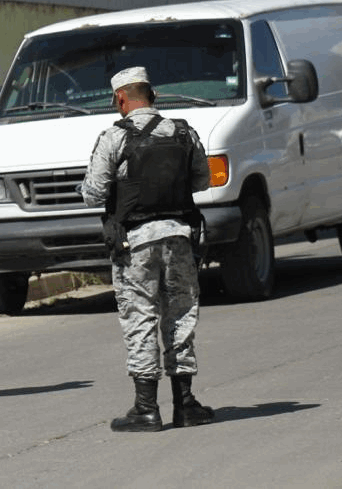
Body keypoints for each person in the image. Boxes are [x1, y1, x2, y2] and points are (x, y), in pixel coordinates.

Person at [81, 66, 215, 431]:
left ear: (121, 98)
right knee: (181, 315)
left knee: (140, 318)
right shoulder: (184, 133)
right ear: (151, 94)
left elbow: (93, 193)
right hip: (180, 237)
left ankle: (146, 408)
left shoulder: (113, 137)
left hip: (134, 244)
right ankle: (185, 405)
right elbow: (201, 181)